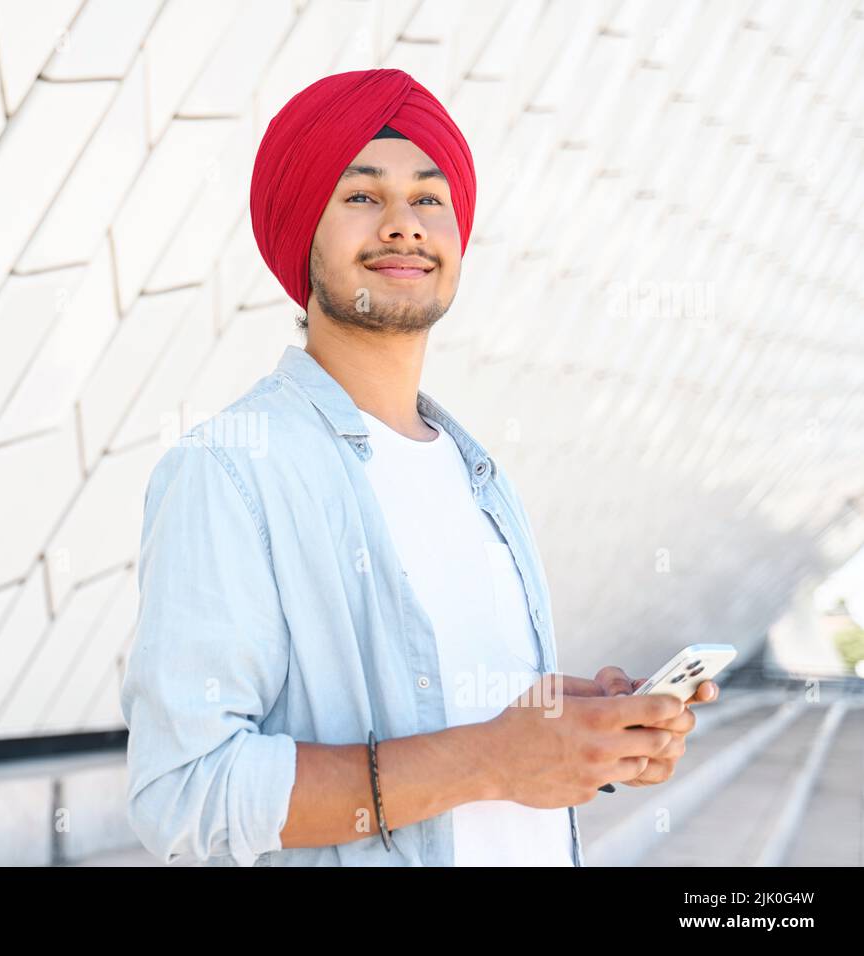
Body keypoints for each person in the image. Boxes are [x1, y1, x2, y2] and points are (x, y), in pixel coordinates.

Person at [119, 68, 718, 867]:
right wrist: (490, 759)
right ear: (303, 230)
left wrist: (584, 731)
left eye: (429, 198)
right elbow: (183, 794)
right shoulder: (230, 471)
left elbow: (460, 719)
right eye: (363, 196)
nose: (403, 225)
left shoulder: (482, 480)